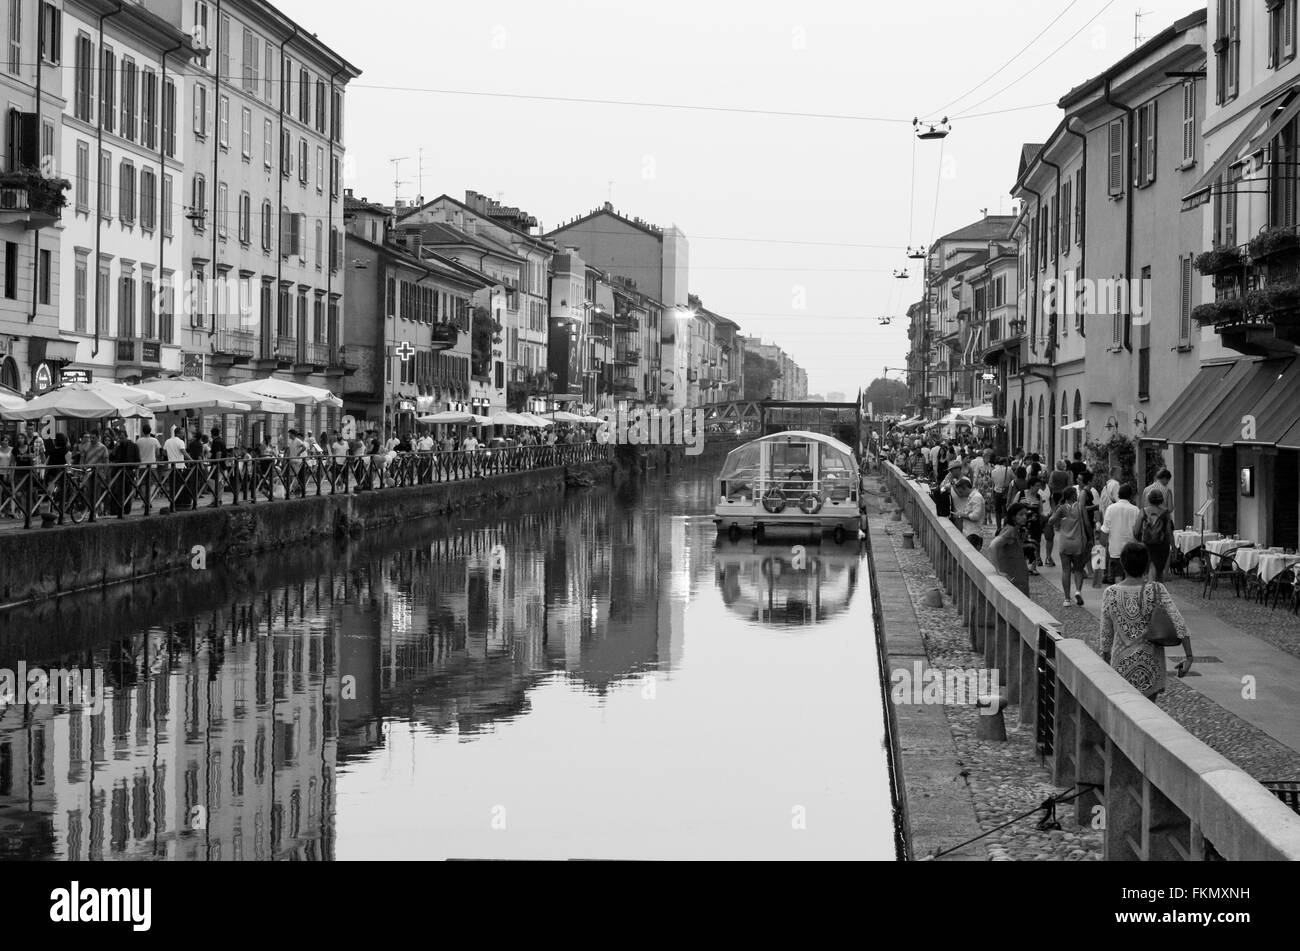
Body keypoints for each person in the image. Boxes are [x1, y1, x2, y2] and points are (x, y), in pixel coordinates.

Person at [1100, 542, 1194, 699]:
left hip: (1121, 664)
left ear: (1123, 564)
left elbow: (1105, 636)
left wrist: (1105, 663)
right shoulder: (1156, 589)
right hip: (1151, 665)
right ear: (1146, 566)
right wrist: (1189, 657)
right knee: (1148, 713)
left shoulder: (1110, 593)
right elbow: (1179, 623)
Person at [1049, 486, 1088, 607]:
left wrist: (1058, 518)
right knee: (1078, 569)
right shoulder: (1080, 508)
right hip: (1077, 543)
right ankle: (1078, 591)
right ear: (1073, 495)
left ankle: (1066, 599)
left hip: (1065, 543)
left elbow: (1051, 521)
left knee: (1066, 570)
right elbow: (1086, 524)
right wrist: (1090, 537)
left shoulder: (1062, 508)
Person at [987, 501, 1032, 596]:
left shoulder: (1014, 530)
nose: (1024, 517)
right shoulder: (1010, 530)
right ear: (1013, 517)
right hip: (1014, 580)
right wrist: (998, 570)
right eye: (1021, 514)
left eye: (1025, 514)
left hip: (1018, 578)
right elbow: (992, 546)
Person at [1100, 483, 1142, 584]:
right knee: (1130, 576)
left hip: (1115, 549)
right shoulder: (1136, 510)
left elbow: (1105, 530)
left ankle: (1119, 596)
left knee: (1117, 576)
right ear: (1131, 496)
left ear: (1118, 494)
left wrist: (1103, 543)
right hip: (1130, 549)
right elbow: (1137, 531)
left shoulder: (1110, 509)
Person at [1136, 488, 1175, 582]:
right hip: (1162, 546)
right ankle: (1158, 592)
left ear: (1149, 499)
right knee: (1159, 572)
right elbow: (1169, 533)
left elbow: (1136, 530)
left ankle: (1149, 590)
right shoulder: (1166, 513)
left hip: (1147, 544)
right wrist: (1173, 547)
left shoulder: (1143, 511)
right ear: (1161, 500)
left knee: (1148, 569)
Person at [950, 477, 985, 550]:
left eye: (961, 492)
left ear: (965, 488)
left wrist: (961, 515)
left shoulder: (976, 497)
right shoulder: (971, 497)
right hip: (969, 532)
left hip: (974, 533)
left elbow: (976, 516)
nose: (960, 494)